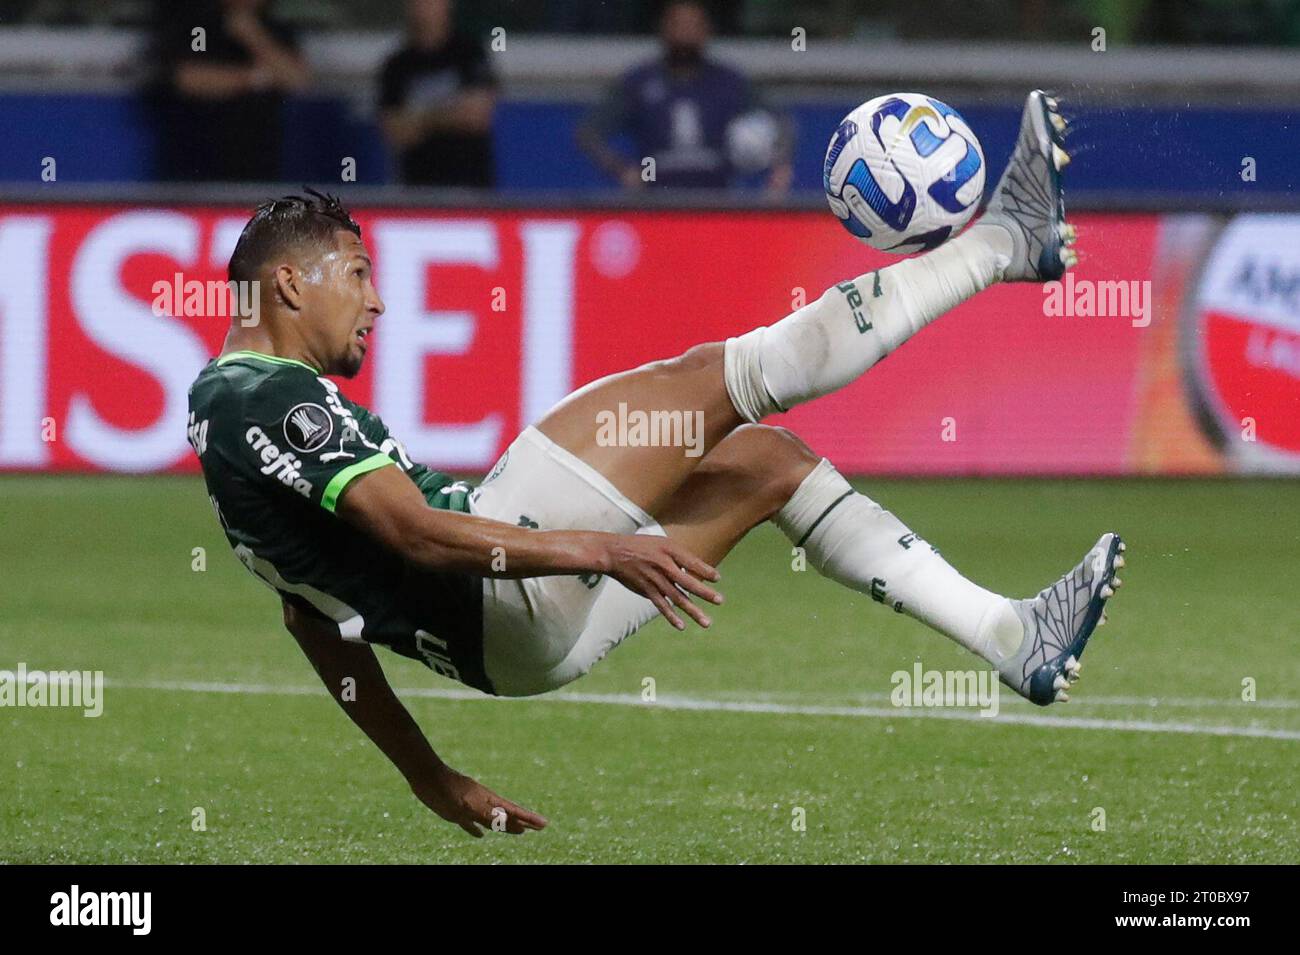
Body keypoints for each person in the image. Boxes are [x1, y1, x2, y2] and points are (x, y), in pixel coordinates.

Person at [187, 92, 1125, 838]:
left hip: (511, 658)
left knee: (768, 463)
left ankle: (1013, 636)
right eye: (356, 270)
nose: (377, 300)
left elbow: (309, 620)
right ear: (288, 282)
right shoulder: (262, 397)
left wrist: (433, 778)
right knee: (731, 376)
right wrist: (600, 549)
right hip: (509, 579)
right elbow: (414, 530)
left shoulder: (223, 420)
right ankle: (1009, 241)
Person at [578, 0, 793, 192]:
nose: (685, 33)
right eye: (678, 25)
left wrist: (779, 167)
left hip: (719, 200)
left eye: (693, 25)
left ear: (706, 30)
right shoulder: (640, 82)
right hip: (656, 200)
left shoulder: (728, 82)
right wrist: (622, 170)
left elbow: (781, 124)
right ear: (664, 29)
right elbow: (589, 133)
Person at [153, 0, 310, 182]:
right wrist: (256, 78)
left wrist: (252, 34)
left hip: (259, 157)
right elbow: (188, 79)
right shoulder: (198, 26)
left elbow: (297, 81)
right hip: (195, 154)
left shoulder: (276, 29)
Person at [378, 0, 498, 188]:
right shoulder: (396, 66)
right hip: (417, 188)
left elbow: (476, 117)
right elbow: (395, 132)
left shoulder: (470, 52)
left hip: (470, 185)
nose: (424, 8)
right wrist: (451, 113)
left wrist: (419, 119)